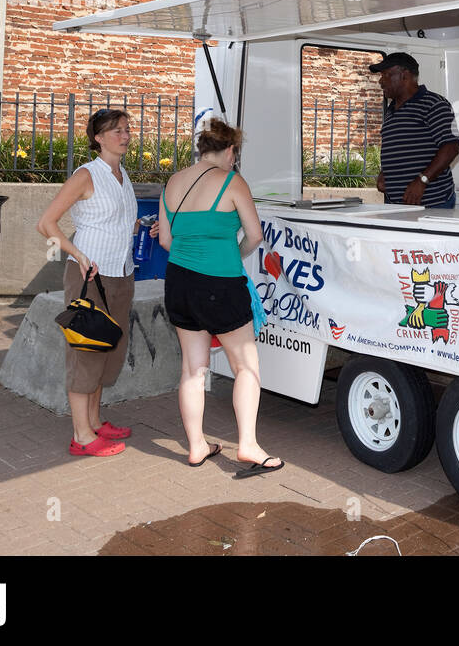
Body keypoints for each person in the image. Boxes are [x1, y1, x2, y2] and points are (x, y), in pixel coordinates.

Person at [157, 118, 283, 478]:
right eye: (235, 155)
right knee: (246, 366)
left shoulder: (174, 182)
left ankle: (197, 445)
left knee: (193, 369)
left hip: (179, 282)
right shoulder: (232, 181)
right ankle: (248, 445)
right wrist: (233, 253)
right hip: (220, 284)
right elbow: (255, 235)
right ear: (230, 150)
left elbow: (166, 241)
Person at [36, 108, 140, 458]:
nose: (125, 136)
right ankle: (81, 436)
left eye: (127, 130)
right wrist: (77, 253)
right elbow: (46, 223)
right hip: (89, 278)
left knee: (107, 349)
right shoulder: (86, 174)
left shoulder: (122, 175)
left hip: (121, 273)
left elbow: (114, 222)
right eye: (117, 131)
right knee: (86, 352)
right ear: (98, 137)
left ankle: (95, 421)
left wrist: (143, 226)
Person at [369, 52, 459, 208]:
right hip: (396, 205)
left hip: (432, 203)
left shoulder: (434, 104)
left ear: (404, 75)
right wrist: (385, 173)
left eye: (386, 75)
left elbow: (451, 147)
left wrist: (422, 180)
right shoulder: (391, 110)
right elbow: (400, 149)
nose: (381, 81)